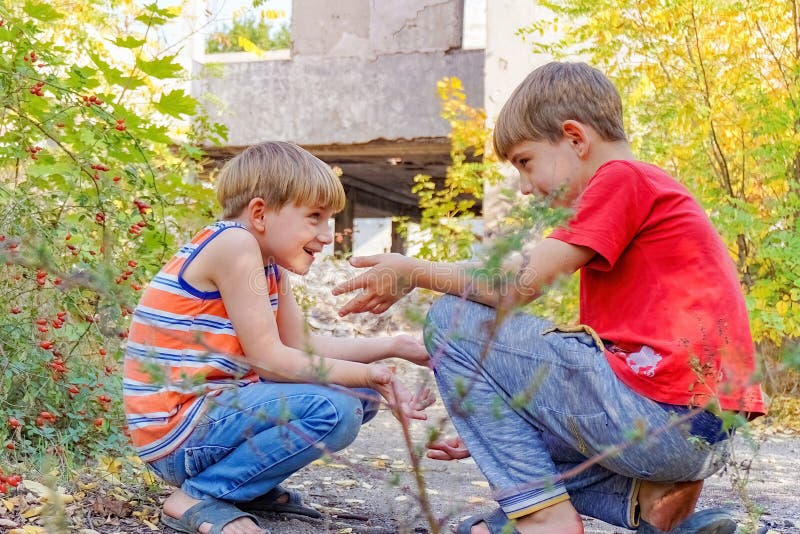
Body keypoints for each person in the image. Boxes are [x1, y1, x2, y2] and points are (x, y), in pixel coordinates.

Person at [332, 62, 766, 534]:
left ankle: (543, 520)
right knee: (516, 440)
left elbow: (515, 285)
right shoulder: (650, 190)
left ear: (575, 138)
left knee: (451, 321)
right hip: (703, 433)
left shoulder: (622, 179)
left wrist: (416, 271)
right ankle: (654, 507)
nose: (524, 186)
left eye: (524, 161)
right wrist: (498, 430)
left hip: (663, 414)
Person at [123, 141, 433, 534]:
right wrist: (369, 375)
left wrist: (394, 348)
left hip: (209, 419)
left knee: (358, 395)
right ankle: (200, 496)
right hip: (180, 431)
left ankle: (244, 489)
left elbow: (303, 348)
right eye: (315, 217)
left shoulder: (268, 264)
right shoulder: (233, 245)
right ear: (260, 213)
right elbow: (269, 360)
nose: (326, 235)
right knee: (336, 406)